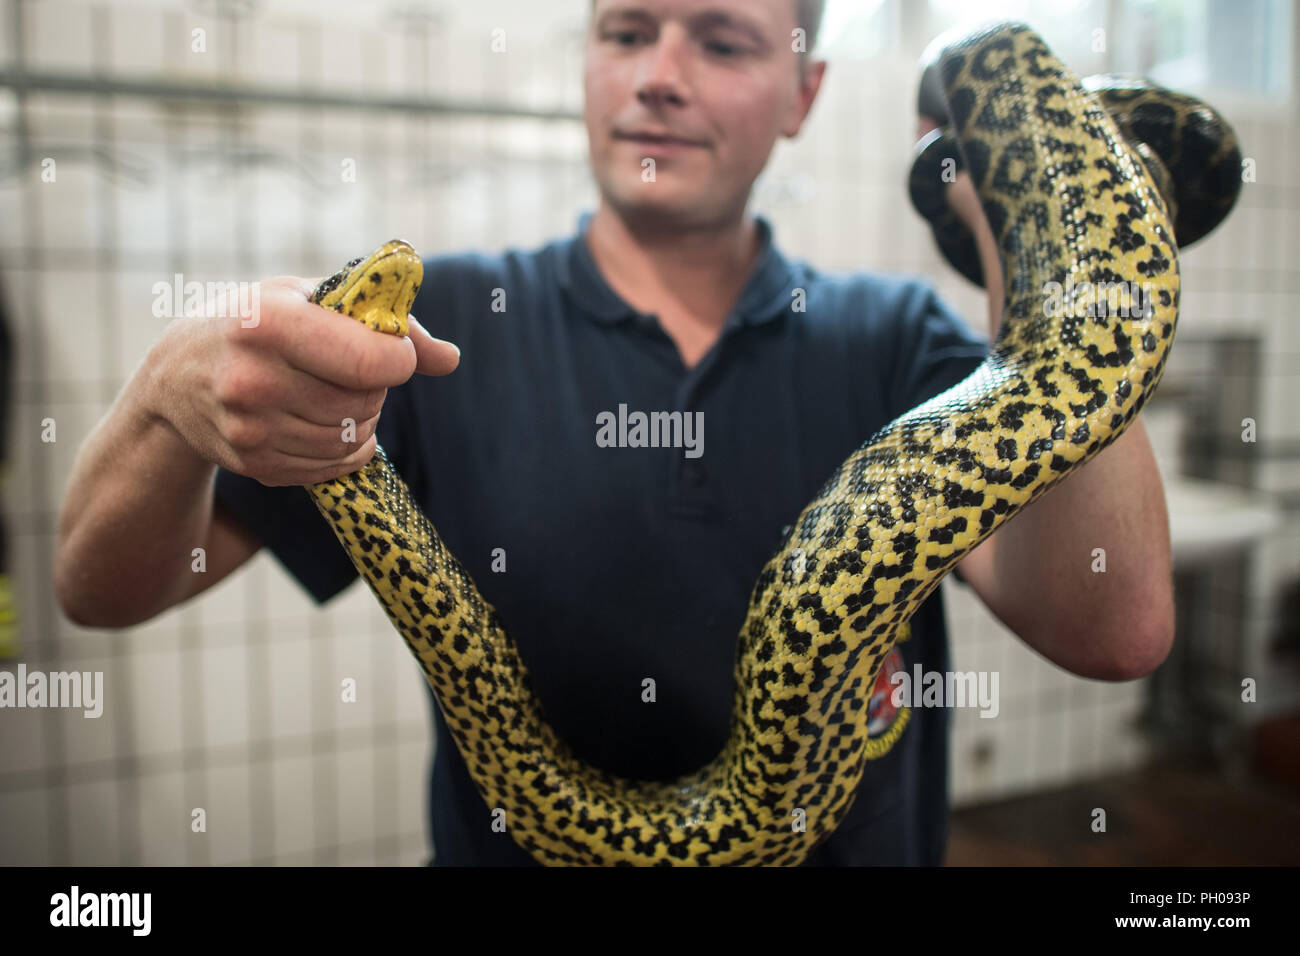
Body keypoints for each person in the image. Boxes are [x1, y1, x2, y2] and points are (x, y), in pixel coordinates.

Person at [54, 0, 1175, 866]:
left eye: (725, 42)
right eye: (625, 29)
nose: (658, 77)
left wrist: (1048, 238)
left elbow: (1114, 626)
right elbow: (104, 588)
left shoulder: (903, 344)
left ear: (804, 89)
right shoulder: (422, 339)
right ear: (587, 55)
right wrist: (168, 399)